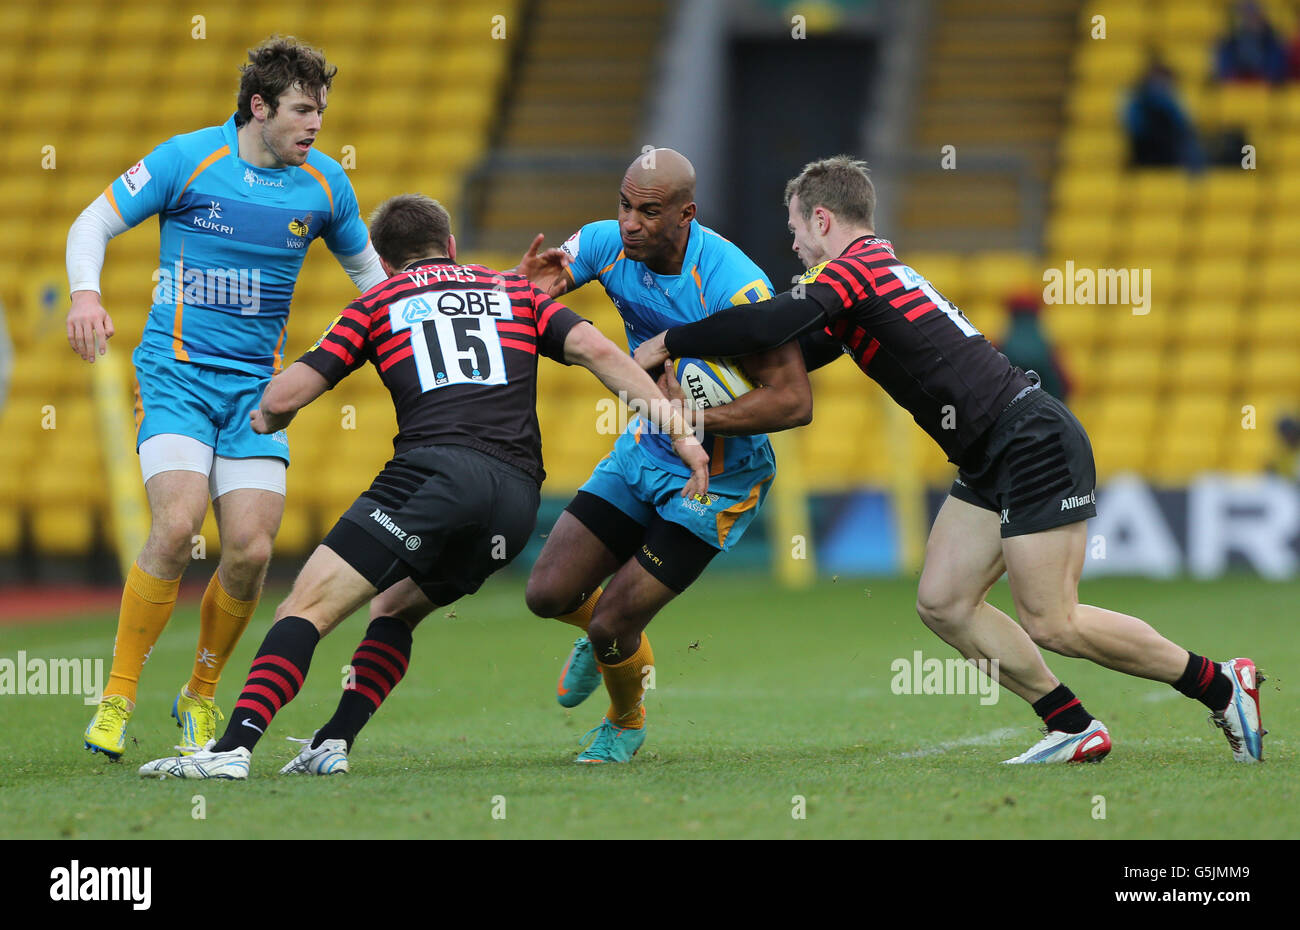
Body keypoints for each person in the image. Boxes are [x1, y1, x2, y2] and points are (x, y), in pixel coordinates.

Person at [635, 155, 1265, 764]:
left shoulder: (855, 270)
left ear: (823, 219)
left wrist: (673, 340)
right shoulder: (868, 277)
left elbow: (772, 322)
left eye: (796, 229)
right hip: (991, 450)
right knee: (943, 600)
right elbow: (782, 350)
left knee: (1053, 620)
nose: (794, 245)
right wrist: (692, 382)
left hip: (1028, 439)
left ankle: (1219, 683)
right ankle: (1071, 725)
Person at [137, 194, 709, 779]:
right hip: (513, 504)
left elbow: (279, 405)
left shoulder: (377, 300)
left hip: (433, 475)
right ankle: (332, 742)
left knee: (304, 608)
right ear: (451, 246)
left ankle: (231, 749)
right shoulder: (518, 293)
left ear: (384, 263)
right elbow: (601, 353)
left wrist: (239, 408)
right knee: (394, 607)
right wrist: (685, 439)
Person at [68, 36, 388, 760]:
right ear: (259, 107)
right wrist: (86, 294)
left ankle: (201, 695)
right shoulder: (189, 159)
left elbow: (373, 280)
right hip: (177, 377)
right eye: (303, 110)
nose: (315, 125)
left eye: (322, 111)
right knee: (177, 528)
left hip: (257, 395)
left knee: (249, 550)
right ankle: (118, 695)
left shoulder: (328, 186)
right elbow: (91, 222)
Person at [512, 148, 813, 762]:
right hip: (644, 450)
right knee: (546, 593)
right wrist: (519, 289)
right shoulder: (605, 243)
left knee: (610, 625)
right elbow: (543, 290)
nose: (629, 223)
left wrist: (691, 417)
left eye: (647, 212)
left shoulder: (736, 286)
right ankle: (609, 638)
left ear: (685, 215)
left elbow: (793, 403)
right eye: (624, 206)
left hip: (722, 478)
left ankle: (626, 720)